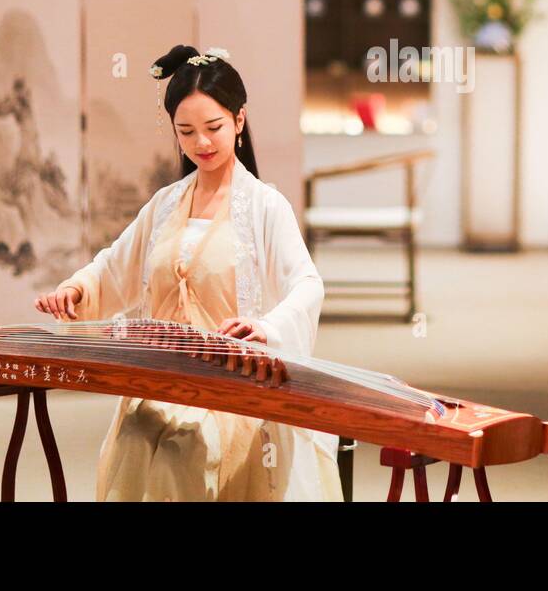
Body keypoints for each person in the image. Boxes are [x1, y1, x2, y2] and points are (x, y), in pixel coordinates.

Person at [34, 44, 342, 501]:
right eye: (187, 131)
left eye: (214, 127)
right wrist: (77, 289)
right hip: (164, 380)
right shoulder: (164, 205)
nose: (202, 143)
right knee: (137, 435)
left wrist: (265, 327)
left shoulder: (264, 206)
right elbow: (113, 267)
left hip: (234, 384)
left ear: (239, 121)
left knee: (185, 448)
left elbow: (306, 284)